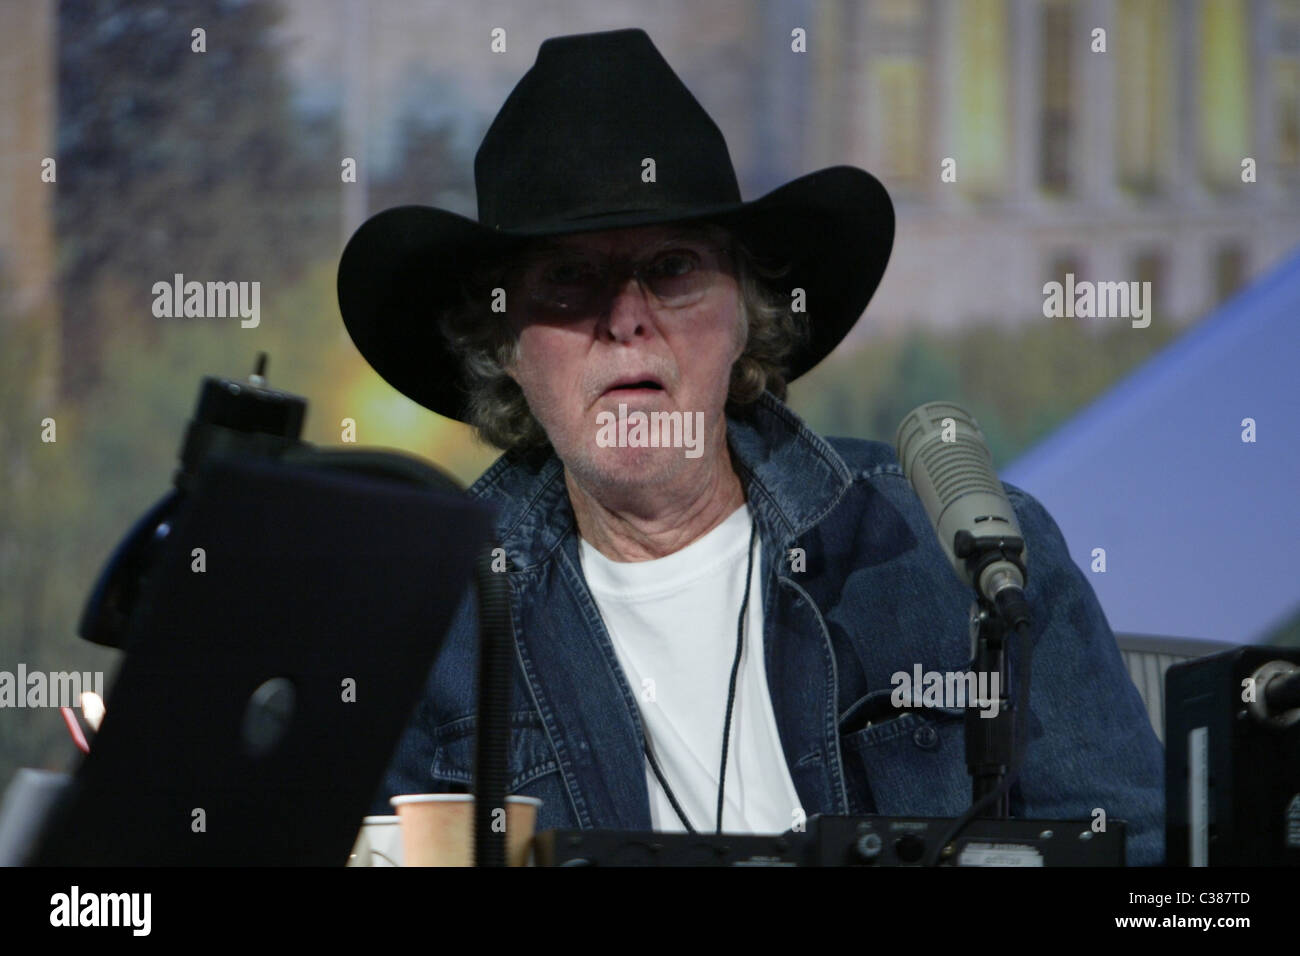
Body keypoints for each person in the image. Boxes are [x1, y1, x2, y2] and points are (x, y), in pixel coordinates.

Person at [338, 28, 1164, 864]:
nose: (626, 320)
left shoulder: (961, 558)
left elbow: (1156, 871)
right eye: (568, 278)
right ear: (505, 345)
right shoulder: (433, 622)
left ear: (748, 315)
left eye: (671, 268)